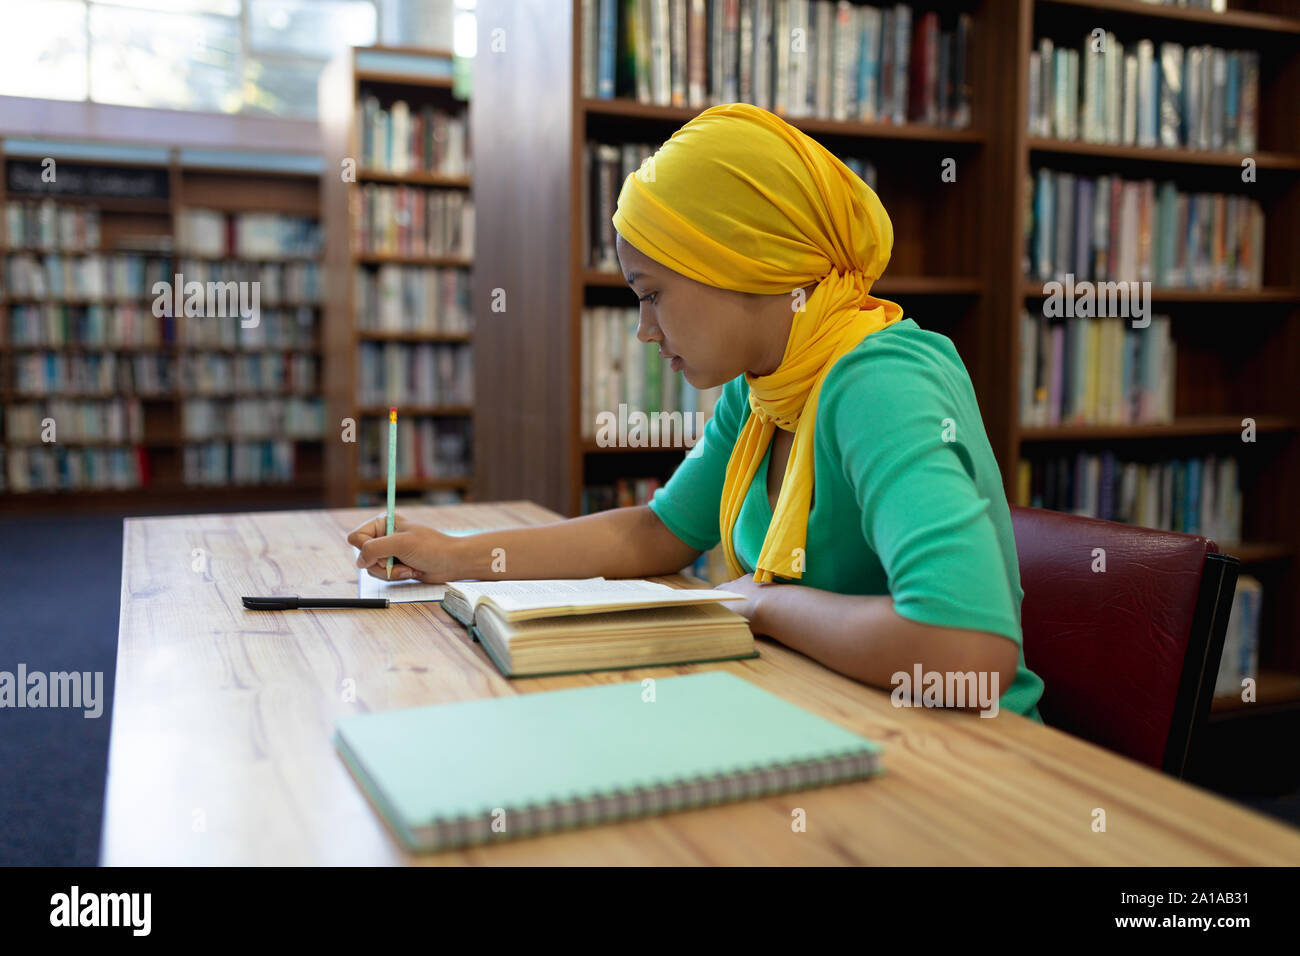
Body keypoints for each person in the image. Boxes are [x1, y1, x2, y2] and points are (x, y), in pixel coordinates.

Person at [349, 102, 1044, 719]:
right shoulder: (760, 388)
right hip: (828, 714)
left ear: (744, 266)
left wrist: (764, 604)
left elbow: (967, 655)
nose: (644, 331)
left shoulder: (879, 384)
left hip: (972, 763)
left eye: (651, 294)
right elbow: (656, 533)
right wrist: (454, 557)